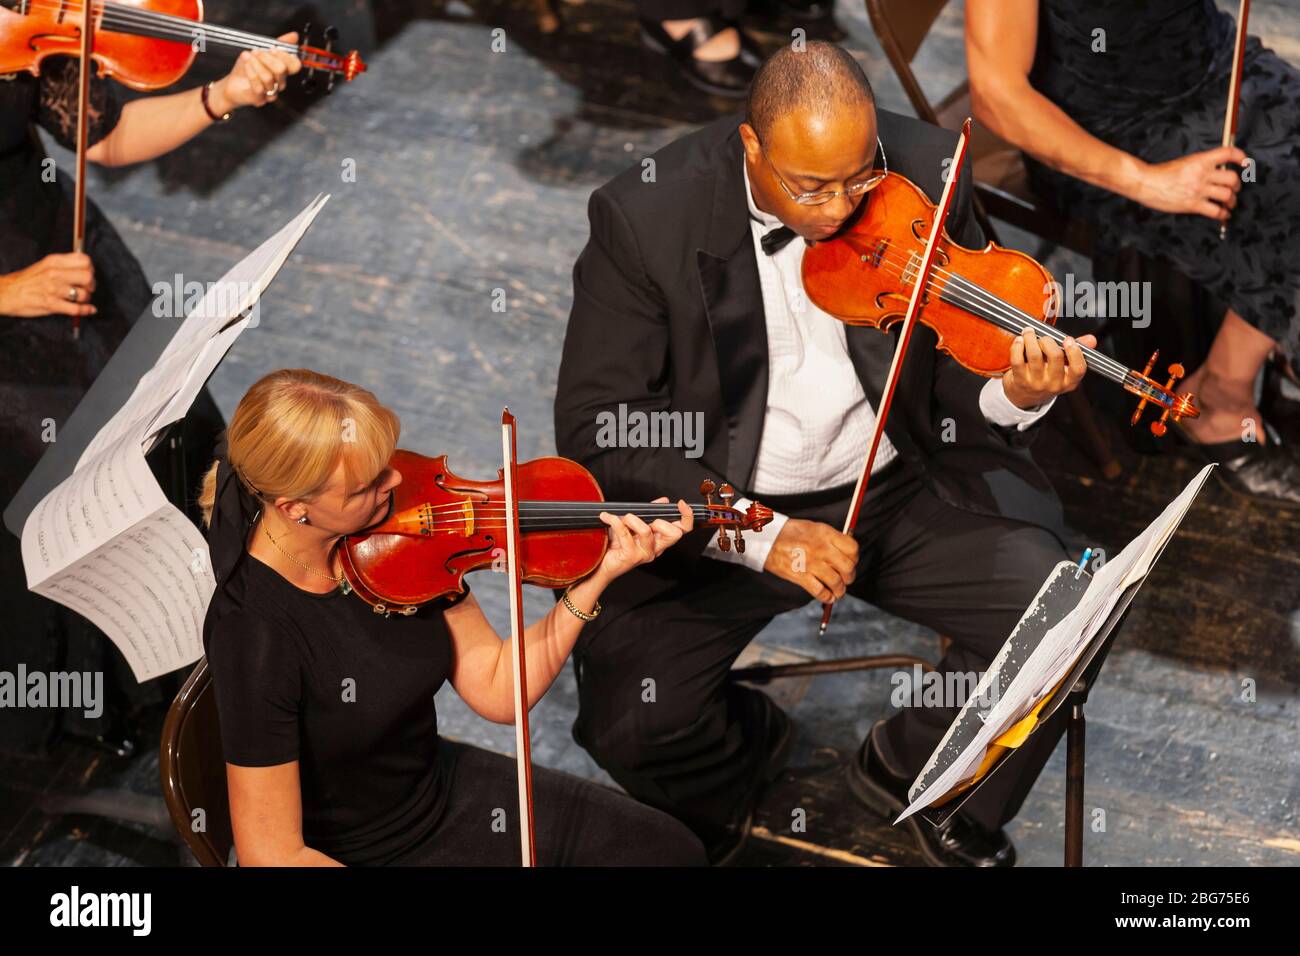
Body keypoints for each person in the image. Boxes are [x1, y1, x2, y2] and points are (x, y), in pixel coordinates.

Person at [554, 41, 1099, 867]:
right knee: (634, 720)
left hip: (897, 477)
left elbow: (952, 366)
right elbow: (600, 427)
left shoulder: (924, 167)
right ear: (751, 148)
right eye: (810, 187)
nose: (842, 209)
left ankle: (914, 773)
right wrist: (764, 535)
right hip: (726, 506)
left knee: (1063, 614)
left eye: (858, 178)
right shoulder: (646, 216)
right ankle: (744, 755)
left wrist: (1014, 392)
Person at [200, 369, 706, 866]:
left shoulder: (403, 535)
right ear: (295, 509)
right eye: (367, 484)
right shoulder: (253, 632)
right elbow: (274, 854)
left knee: (669, 851)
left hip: (439, 788)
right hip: (360, 852)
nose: (395, 480)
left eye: (385, 461)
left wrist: (597, 577)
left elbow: (496, 685)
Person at [0, 37, 305, 757]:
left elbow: (104, 137)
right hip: (15, 298)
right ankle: (96, 702)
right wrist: (8, 293)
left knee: (174, 426)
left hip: (64, 252)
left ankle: (208, 646)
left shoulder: (26, 28)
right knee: (63, 473)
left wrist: (220, 95)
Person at [966, 0, 1300, 504]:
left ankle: (1253, 356)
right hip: (1105, 133)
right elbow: (996, 95)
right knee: (1280, 197)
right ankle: (1221, 399)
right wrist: (1147, 183)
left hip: (1215, 66)